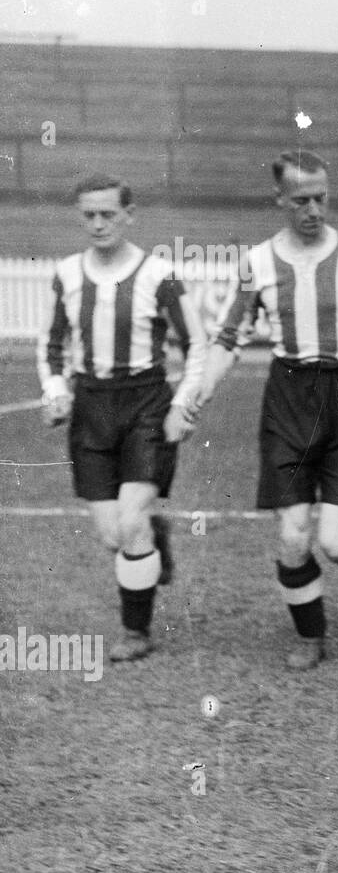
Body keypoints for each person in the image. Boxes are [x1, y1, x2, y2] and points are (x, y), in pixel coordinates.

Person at [195, 149, 338, 671]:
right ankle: (310, 634)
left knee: (334, 541)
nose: (313, 210)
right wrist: (198, 392)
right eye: (301, 201)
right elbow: (228, 338)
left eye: (321, 198)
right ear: (279, 200)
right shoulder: (258, 264)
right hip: (288, 397)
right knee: (292, 535)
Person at [37, 174, 205, 662]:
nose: (98, 223)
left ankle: (136, 631)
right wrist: (55, 391)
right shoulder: (67, 274)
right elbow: (50, 345)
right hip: (91, 408)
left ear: (129, 215)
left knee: (130, 525)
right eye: (88, 214)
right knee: (112, 533)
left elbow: (196, 344)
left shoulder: (159, 275)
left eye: (108, 213)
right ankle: (154, 538)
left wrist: (182, 405)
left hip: (146, 404)